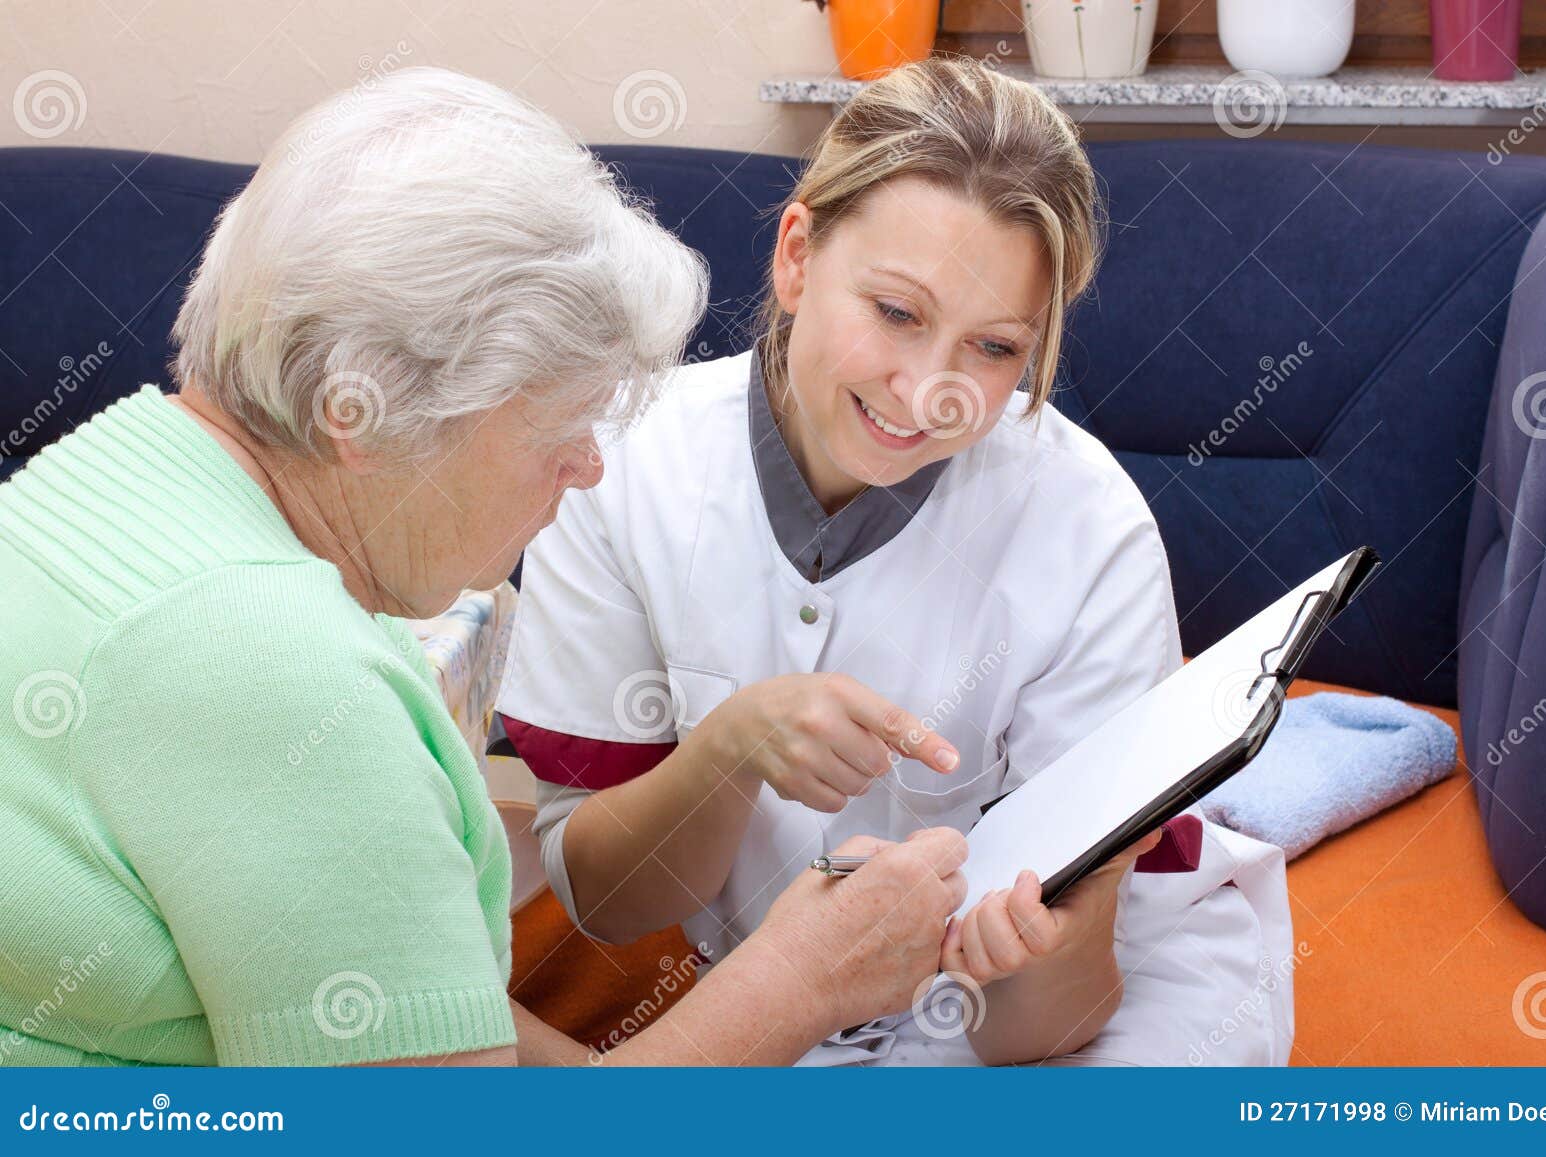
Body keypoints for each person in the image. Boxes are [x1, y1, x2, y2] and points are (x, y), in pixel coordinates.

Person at [0, 67, 968, 1067]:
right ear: (359, 414)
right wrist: (806, 979)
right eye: (555, 422)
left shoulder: (109, 472)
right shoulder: (275, 671)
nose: (588, 465)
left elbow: (389, 1005)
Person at [499, 57, 1296, 1067]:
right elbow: (611, 906)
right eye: (896, 313)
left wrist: (1021, 953)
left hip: (1099, 1012)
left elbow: (1050, 1017)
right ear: (796, 255)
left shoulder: (1090, 531)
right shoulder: (617, 469)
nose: (931, 396)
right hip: (789, 1000)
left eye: (994, 347)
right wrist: (727, 749)